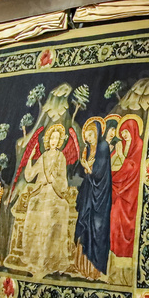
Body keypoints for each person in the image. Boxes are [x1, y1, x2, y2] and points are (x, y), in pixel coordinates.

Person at [21, 124, 74, 276]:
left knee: (52, 212)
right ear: (48, 140)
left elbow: (63, 183)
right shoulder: (43, 157)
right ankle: (35, 257)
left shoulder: (61, 157)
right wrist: (30, 159)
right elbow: (30, 176)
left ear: (59, 142)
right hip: (41, 191)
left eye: (57, 138)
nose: (54, 141)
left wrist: (53, 180)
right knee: (33, 206)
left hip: (54, 192)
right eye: (52, 138)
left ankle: (49, 259)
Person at [74, 118, 112, 278]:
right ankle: (82, 268)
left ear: (96, 132)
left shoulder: (103, 147)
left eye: (89, 134)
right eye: (86, 136)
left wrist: (88, 168)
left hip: (100, 196)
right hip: (89, 193)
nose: (87, 138)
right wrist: (86, 169)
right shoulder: (89, 150)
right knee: (85, 226)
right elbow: (87, 175)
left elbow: (99, 173)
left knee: (97, 229)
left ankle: (94, 269)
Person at [110, 117, 143, 259]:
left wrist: (121, 158)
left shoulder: (139, 145)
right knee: (114, 217)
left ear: (133, 131)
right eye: (122, 132)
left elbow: (134, 168)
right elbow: (110, 165)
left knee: (128, 222)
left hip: (131, 191)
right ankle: (114, 251)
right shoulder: (121, 145)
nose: (124, 135)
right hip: (118, 188)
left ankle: (126, 253)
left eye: (126, 131)